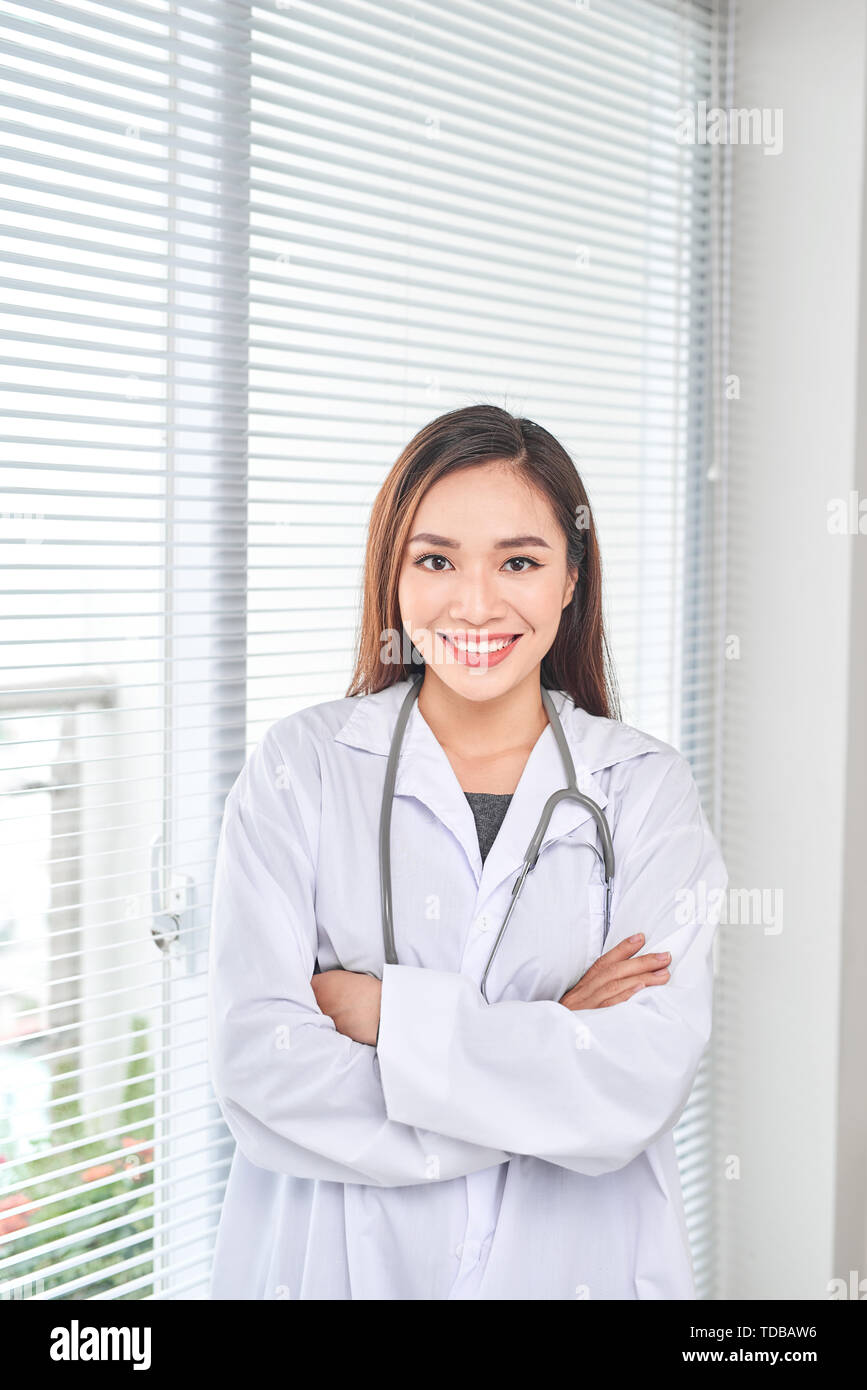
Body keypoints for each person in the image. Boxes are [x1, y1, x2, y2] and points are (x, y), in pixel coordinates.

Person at [207, 403, 728, 1300]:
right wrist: (551, 1039)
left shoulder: (644, 789)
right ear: (393, 575)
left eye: (518, 561)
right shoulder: (303, 768)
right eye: (436, 560)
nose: (476, 602)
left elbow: (633, 1090)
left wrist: (389, 1022)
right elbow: (261, 1073)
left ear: (570, 580)